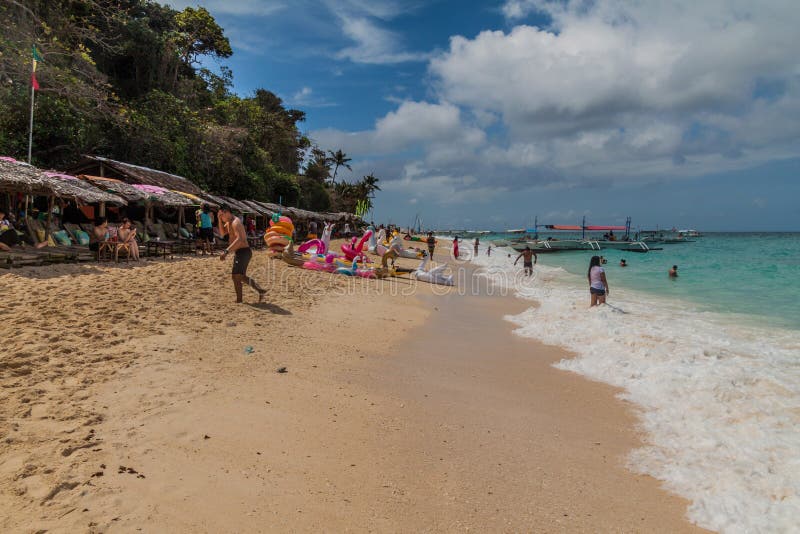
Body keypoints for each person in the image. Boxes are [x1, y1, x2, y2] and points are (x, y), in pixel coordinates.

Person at [218, 205, 267, 303]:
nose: (221, 217)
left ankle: (251, 294)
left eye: (221, 215)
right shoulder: (229, 222)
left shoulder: (236, 223)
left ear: (226, 212)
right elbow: (222, 233)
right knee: (238, 276)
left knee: (237, 276)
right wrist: (219, 220)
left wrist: (226, 251)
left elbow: (240, 239)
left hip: (244, 252)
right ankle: (257, 292)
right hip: (240, 252)